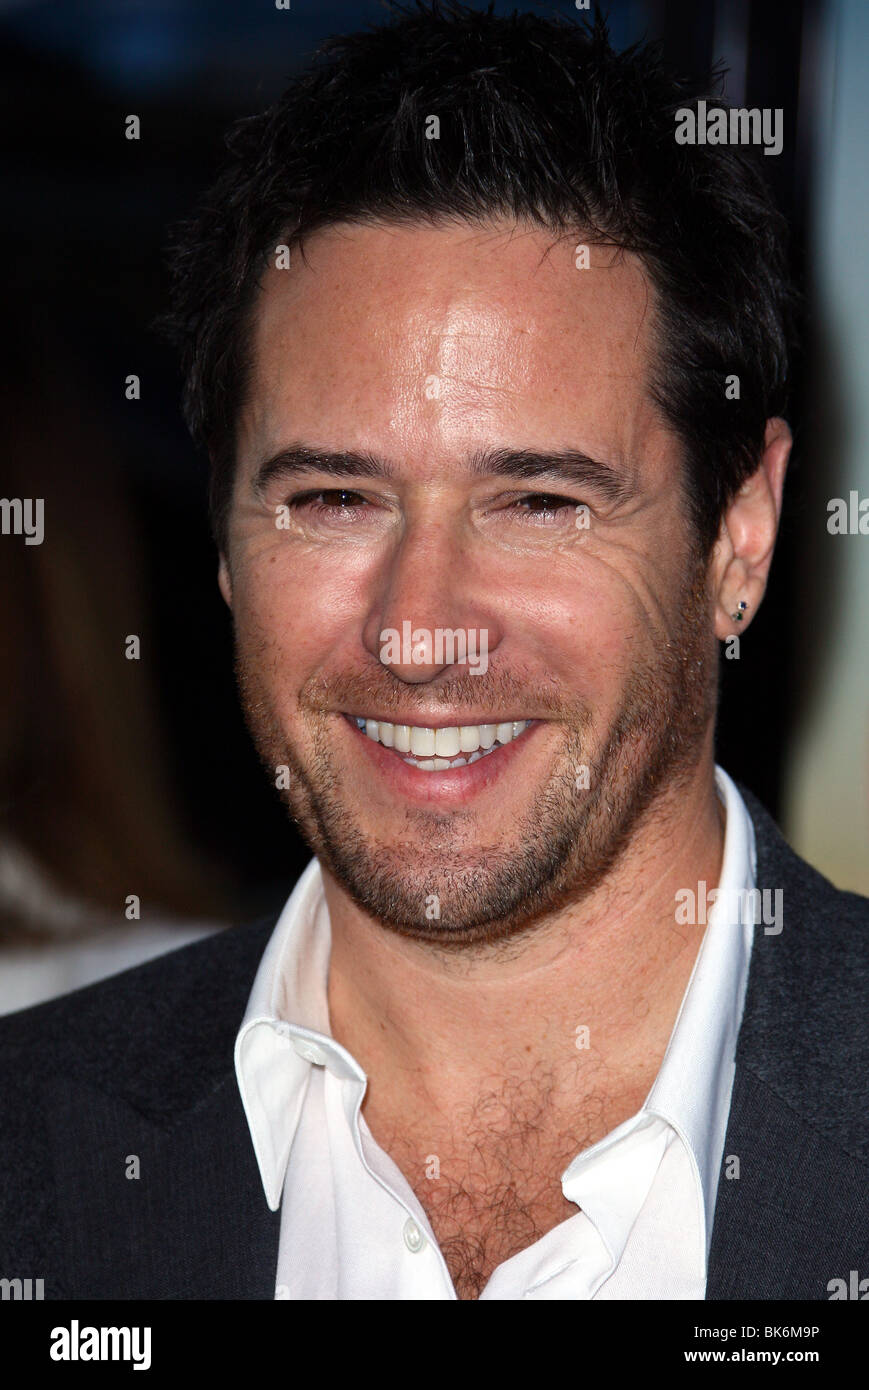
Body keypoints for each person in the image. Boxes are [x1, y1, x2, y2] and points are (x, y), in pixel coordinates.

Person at [1, 3, 866, 1302]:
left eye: (538, 504)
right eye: (332, 501)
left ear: (736, 537)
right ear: (228, 543)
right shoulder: (28, 1156)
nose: (419, 628)